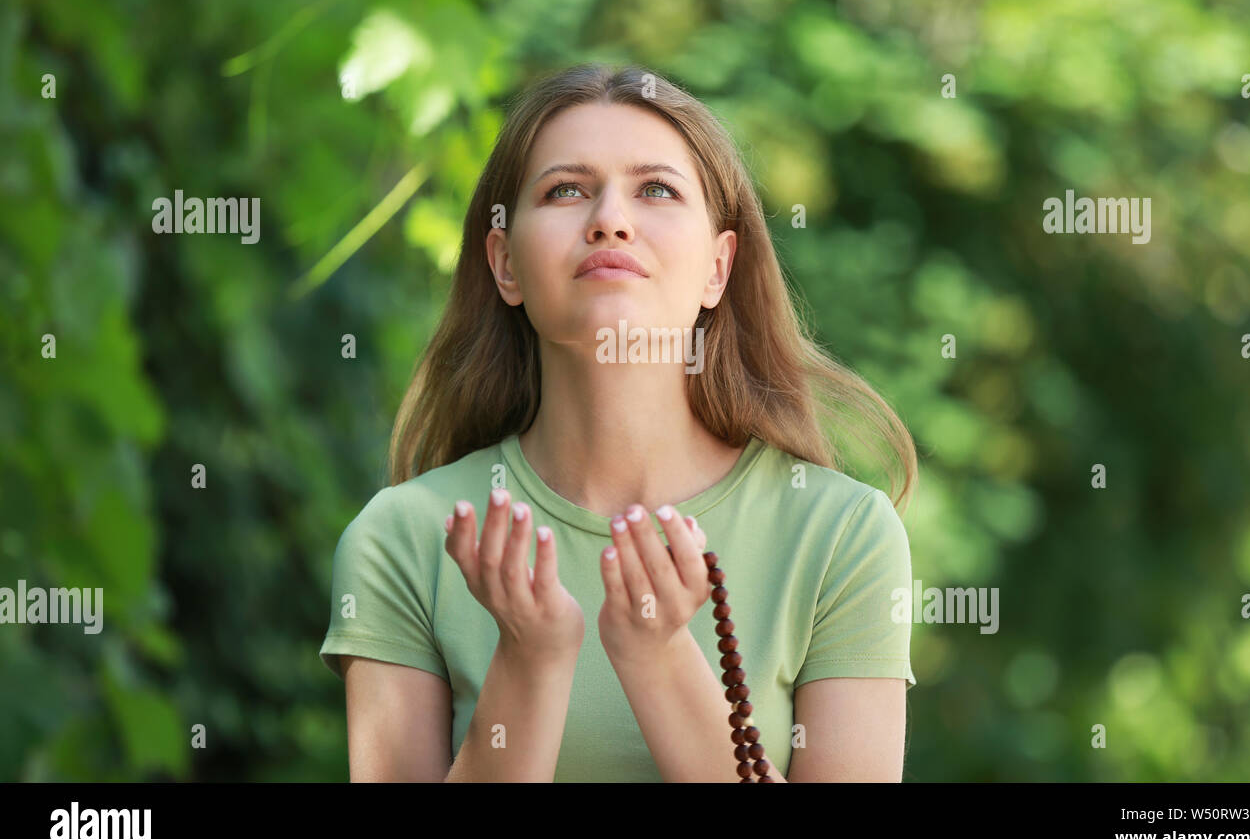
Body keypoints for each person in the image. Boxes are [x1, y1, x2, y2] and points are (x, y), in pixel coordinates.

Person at [319, 62, 919, 782]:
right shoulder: (403, 538)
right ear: (504, 263)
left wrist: (660, 657)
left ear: (717, 270)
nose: (610, 219)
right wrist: (530, 663)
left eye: (656, 189)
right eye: (565, 190)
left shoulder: (841, 535)